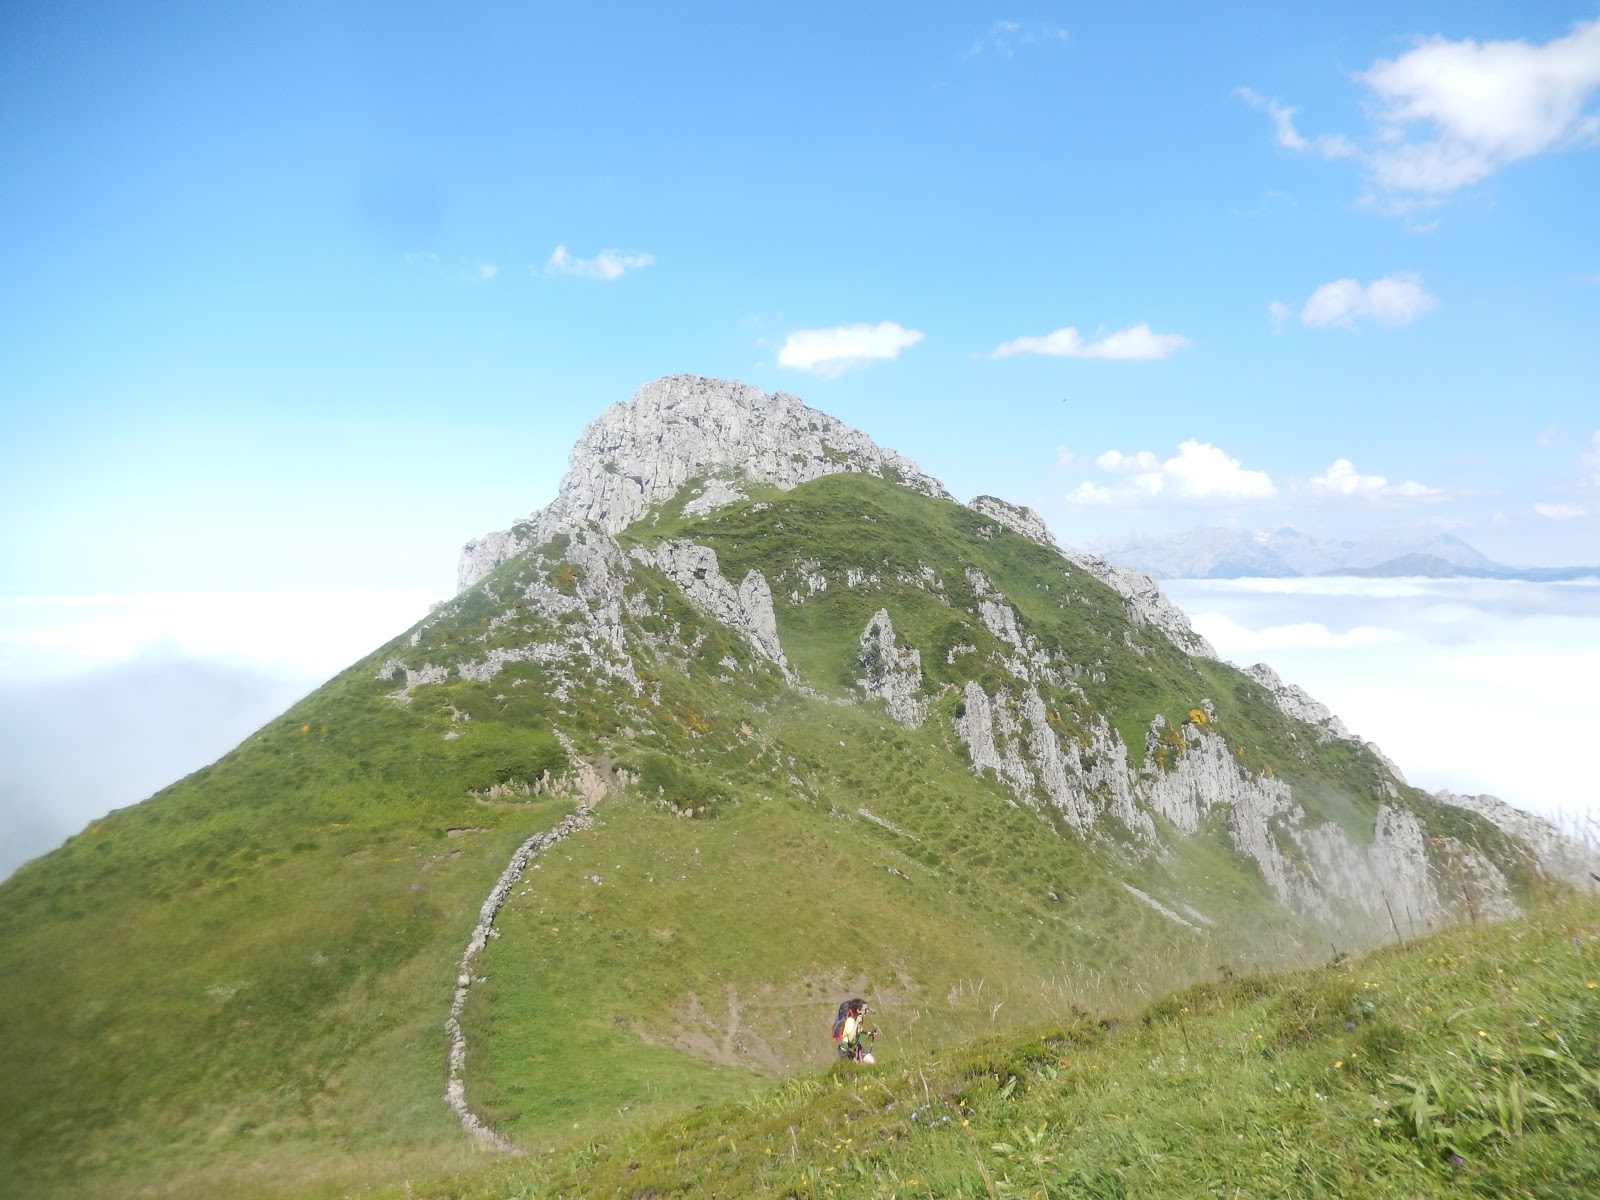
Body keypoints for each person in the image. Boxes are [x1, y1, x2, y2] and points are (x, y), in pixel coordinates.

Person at [835, 999, 877, 1063]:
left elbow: (859, 1030)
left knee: (871, 1061)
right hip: (845, 1051)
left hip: (855, 1047)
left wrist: (869, 1033)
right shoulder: (850, 1021)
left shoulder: (857, 1019)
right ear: (858, 1010)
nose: (867, 1011)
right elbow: (850, 1038)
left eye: (867, 1009)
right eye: (865, 1010)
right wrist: (856, 1023)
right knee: (853, 1069)